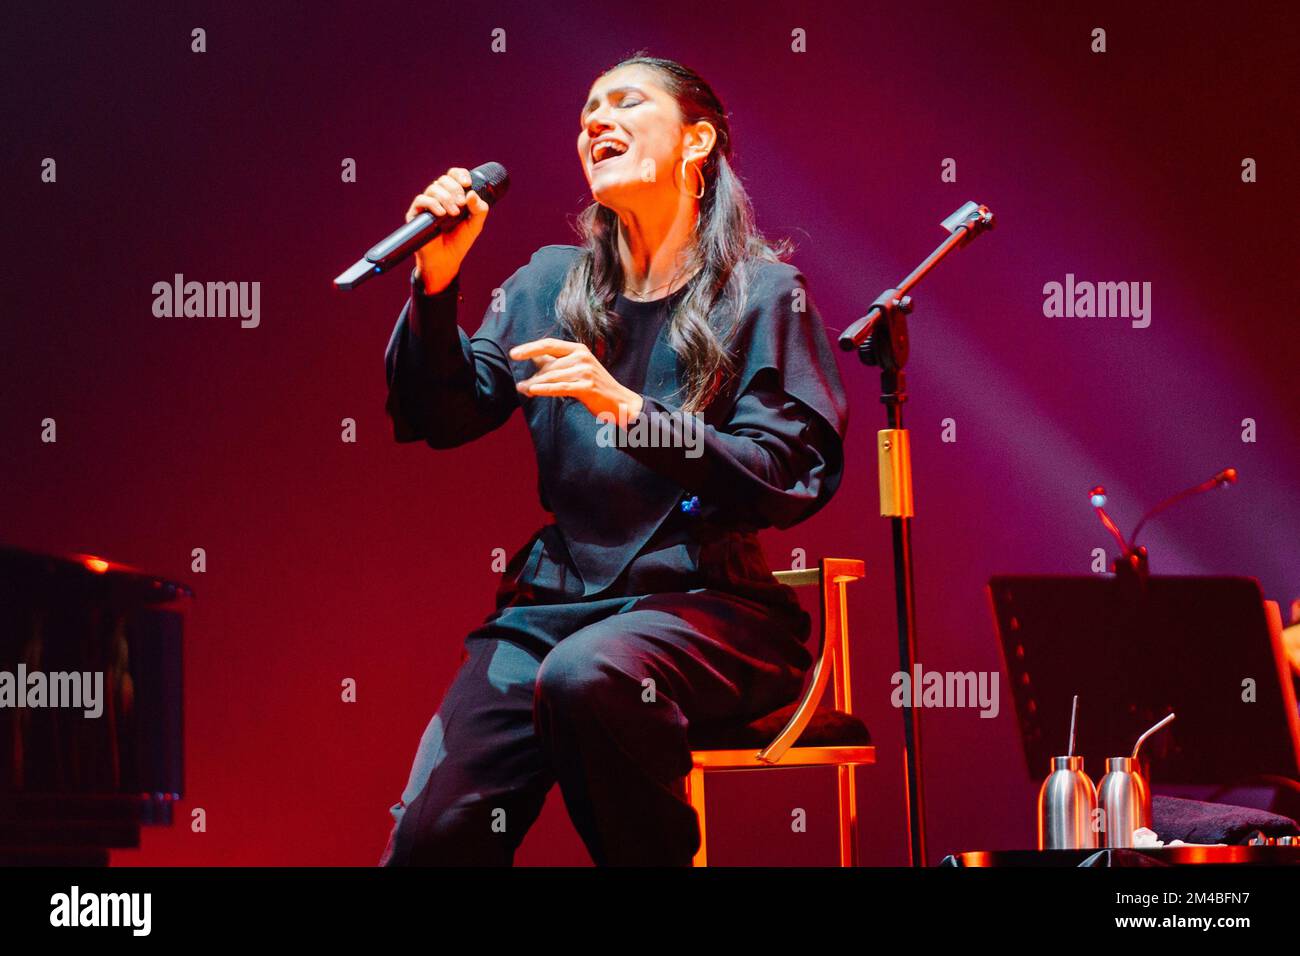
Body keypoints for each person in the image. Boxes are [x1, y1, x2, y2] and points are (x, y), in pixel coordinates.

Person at [378, 53, 849, 866]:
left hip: (709, 605)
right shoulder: (549, 285)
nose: (595, 121)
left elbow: (784, 473)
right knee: (433, 834)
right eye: (587, 110)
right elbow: (442, 413)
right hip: (553, 609)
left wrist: (632, 411)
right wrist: (437, 281)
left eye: (626, 102)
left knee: (587, 676)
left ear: (696, 141)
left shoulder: (764, 292)